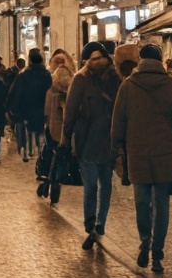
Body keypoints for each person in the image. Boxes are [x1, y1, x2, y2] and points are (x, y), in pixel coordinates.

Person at [114, 44, 172, 273]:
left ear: (140, 61)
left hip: (137, 152)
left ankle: (144, 239)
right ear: (160, 60)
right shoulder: (171, 85)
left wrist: (119, 147)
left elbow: (118, 123)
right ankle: (158, 250)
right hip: (165, 153)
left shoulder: (127, 86)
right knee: (162, 204)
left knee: (141, 202)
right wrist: (168, 131)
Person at [64, 41, 122, 249]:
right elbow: (70, 111)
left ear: (107, 57)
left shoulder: (116, 79)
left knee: (106, 185)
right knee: (90, 185)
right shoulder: (80, 80)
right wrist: (65, 138)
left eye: (100, 58)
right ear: (87, 61)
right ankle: (90, 222)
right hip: (86, 140)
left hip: (109, 141)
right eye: (92, 59)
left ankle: (100, 223)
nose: (97, 62)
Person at [39, 50, 75, 203]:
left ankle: (48, 179)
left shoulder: (50, 84)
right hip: (66, 129)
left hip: (52, 127)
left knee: (50, 154)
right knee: (61, 157)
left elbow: (46, 109)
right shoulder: (72, 85)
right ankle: (56, 181)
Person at [10, 48, 51, 164]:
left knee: (27, 131)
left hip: (26, 108)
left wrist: (14, 108)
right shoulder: (47, 74)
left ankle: (27, 153)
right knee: (41, 131)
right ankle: (41, 152)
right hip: (41, 107)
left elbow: (15, 92)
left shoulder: (23, 74)